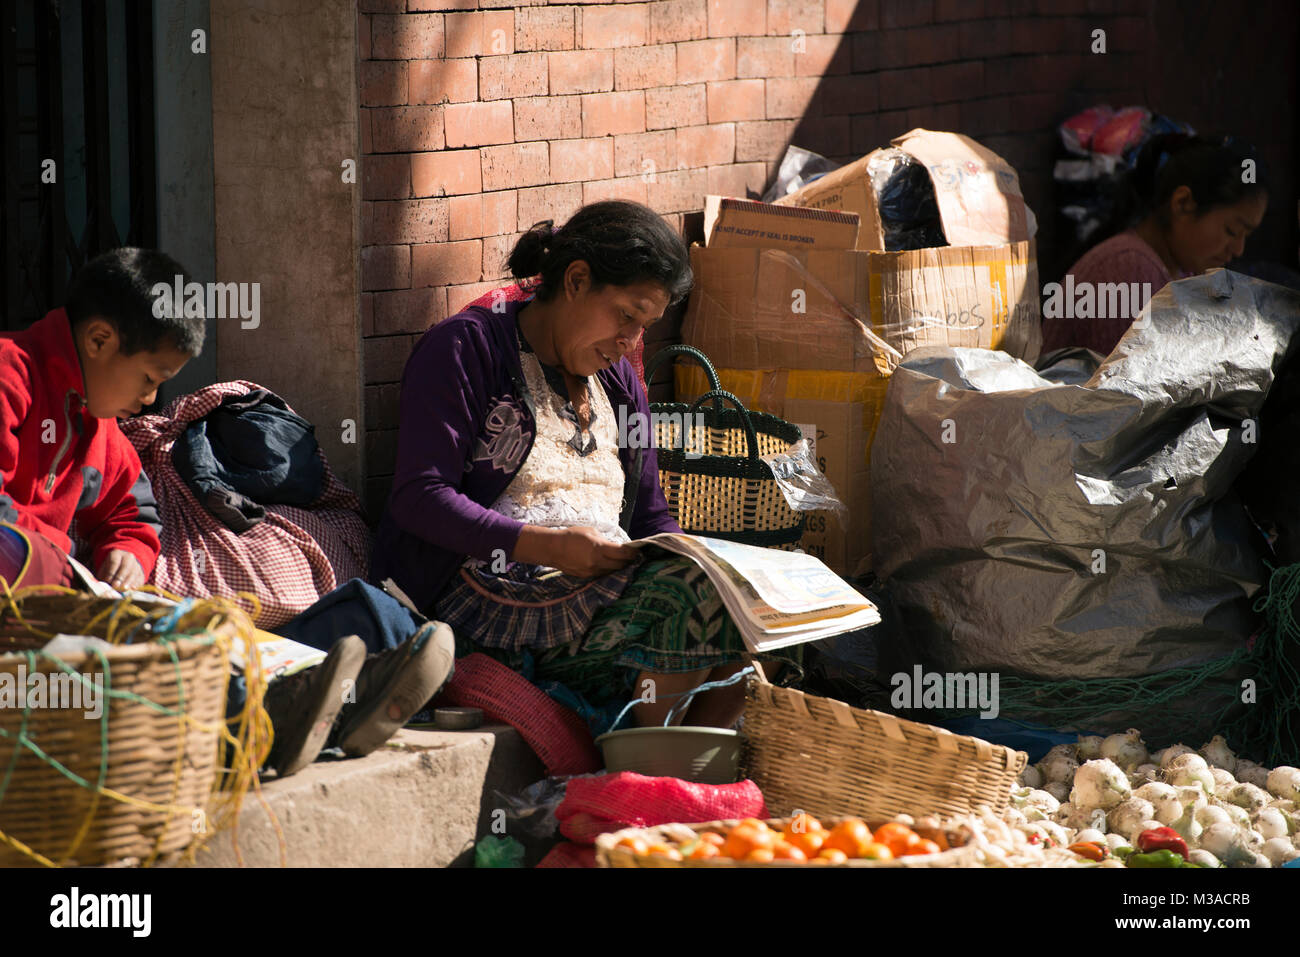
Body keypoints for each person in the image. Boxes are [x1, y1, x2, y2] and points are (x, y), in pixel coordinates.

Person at [372, 201, 796, 730]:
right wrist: (548, 546)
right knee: (687, 598)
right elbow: (419, 496)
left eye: (644, 327)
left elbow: (649, 516)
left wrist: (707, 561)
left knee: (764, 614)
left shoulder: (621, 383)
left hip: (602, 594)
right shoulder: (465, 349)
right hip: (487, 603)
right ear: (575, 280)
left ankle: (687, 770)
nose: (630, 342)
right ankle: (649, 766)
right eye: (626, 315)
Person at [1041, 134, 1269, 356]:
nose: (1239, 249)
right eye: (1232, 230)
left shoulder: (1179, 268)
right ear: (1183, 203)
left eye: (1246, 235)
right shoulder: (1127, 270)